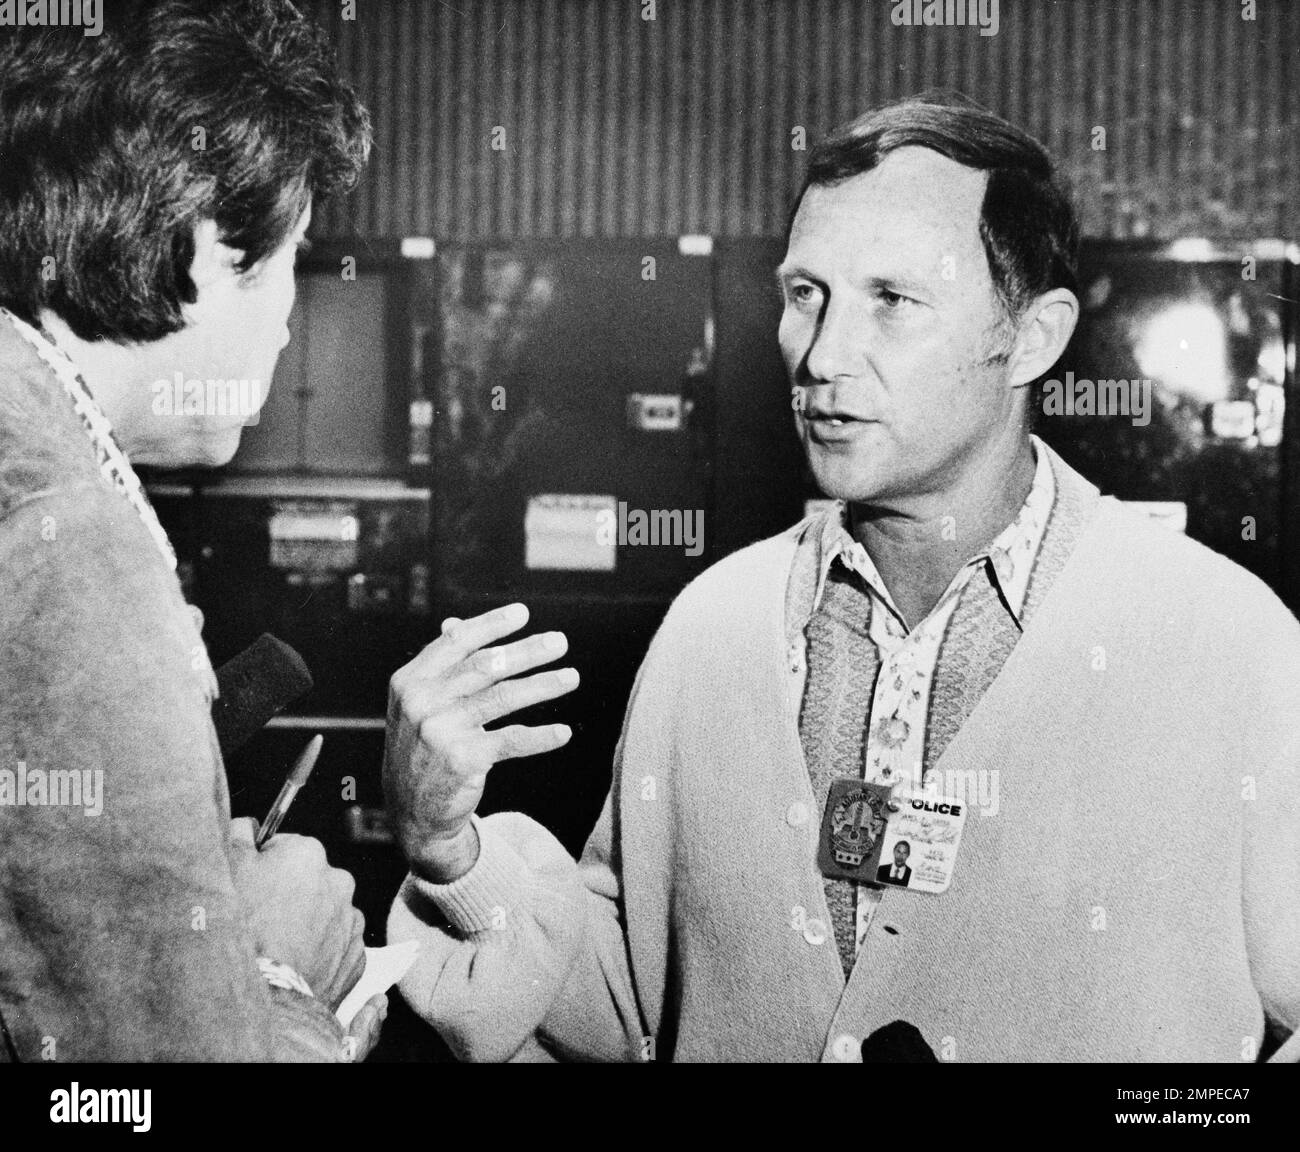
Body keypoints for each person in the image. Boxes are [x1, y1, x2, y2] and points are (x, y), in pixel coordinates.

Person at [383, 93, 1300, 1062]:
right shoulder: (715, 629)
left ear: (1029, 337)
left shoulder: (1225, 645)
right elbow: (627, 1010)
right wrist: (454, 855)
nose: (819, 357)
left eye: (891, 301)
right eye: (804, 294)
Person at [0, 0, 383, 1061]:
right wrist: (279, 969)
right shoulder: (69, 543)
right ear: (208, 243)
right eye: (295, 255)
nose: (294, 312)